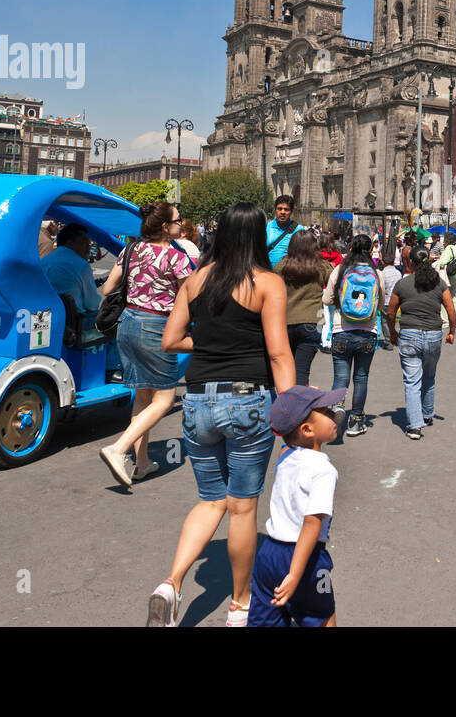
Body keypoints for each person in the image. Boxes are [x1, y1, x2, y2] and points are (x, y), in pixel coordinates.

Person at [152, 202, 295, 627]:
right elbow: (278, 352)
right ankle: (239, 603)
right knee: (242, 508)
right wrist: (290, 416)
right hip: (247, 400)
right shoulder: (268, 283)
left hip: (197, 400)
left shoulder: (195, 281)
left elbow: (171, 340)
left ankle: (171, 585)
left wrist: (211, 346)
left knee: (210, 500)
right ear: (258, 236)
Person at [99, 202, 193, 487]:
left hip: (127, 323)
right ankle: (118, 449)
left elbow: (107, 289)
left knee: (142, 397)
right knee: (164, 399)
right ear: (165, 227)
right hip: (155, 326)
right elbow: (192, 296)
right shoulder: (176, 258)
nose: (180, 224)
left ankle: (141, 464)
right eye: (178, 220)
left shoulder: (129, 251)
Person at [248, 385, 342, 627]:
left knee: (267, 618)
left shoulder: (285, 456)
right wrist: (295, 574)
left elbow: (287, 437)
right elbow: (312, 523)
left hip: (269, 554)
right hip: (305, 557)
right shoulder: (323, 470)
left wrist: (297, 397)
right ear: (307, 429)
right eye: (326, 411)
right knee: (322, 616)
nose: (335, 413)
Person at [386, 246, 456, 438]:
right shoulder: (439, 283)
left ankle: (415, 425)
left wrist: (393, 332)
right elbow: (450, 308)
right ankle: (426, 414)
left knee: (412, 381)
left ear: (410, 262)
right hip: (433, 335)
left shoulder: (403, 284)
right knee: (429, 376)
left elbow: (391, 312)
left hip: (409, 334)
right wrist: (452, 331)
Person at [323, 234, 384, 437]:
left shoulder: (340, 270)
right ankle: (356, 421)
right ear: (371, 250)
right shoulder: (376, 273)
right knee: (361, 377)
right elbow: (380, 305)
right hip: (368, 332)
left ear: (350, 249)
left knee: (340, 377)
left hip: (341, 330)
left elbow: (327, 298)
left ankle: (335, 414)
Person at [275, 230, 333, 386]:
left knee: (285, 371)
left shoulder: (282, 266)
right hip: (312, 321)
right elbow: (335, 283)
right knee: (302, 372)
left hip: (285, 322)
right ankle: (300, 407)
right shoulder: (321, 265)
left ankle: (286, 405)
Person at [42, 223, 101, 312]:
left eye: (89, 244)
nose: (88, 248)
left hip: (43, 314)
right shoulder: (81, 265)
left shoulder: (45, 261)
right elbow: (92, 304)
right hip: (71, 320)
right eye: (84, 243)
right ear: (69, 243)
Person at [266, 195, 304, 267]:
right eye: (279, 209)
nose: (282, 212)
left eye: (286, 209)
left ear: (291, 211)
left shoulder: (299, 230)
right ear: (275, 210)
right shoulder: (267, 227)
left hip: (289, 273)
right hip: (268, 271)